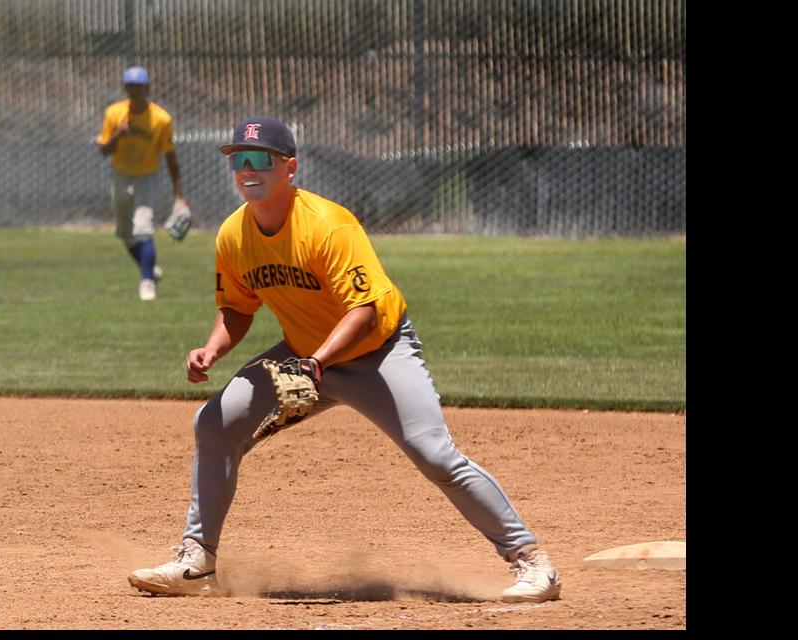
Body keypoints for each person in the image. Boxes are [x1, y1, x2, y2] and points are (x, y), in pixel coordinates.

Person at [127, 116, 562, 603]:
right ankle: (197, 561)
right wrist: (213, 347)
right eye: (238, 160)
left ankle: (533, 562)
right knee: (214, 423)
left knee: (433, 453)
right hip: (301, 354)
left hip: (377, 353)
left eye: (260, 160)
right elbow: (236, 307)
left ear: (289, 168)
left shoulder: (328, 225)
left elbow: (364, 309)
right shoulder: (233, 235)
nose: (247, 169)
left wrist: (317, 363)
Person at [96, 65, 187, 301]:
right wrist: (118, 135)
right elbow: (104, 150)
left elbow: (171, 157)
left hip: (147, 177)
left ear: (148, 88)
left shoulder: (161, 119)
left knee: (143, 227)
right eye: (131, 87)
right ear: (125, 88)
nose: (135, 91)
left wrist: (178, 194)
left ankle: (147, 283)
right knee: (125, 233)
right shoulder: (114, 114)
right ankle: (150, 270)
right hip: (121, 175)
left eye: (139, 87)